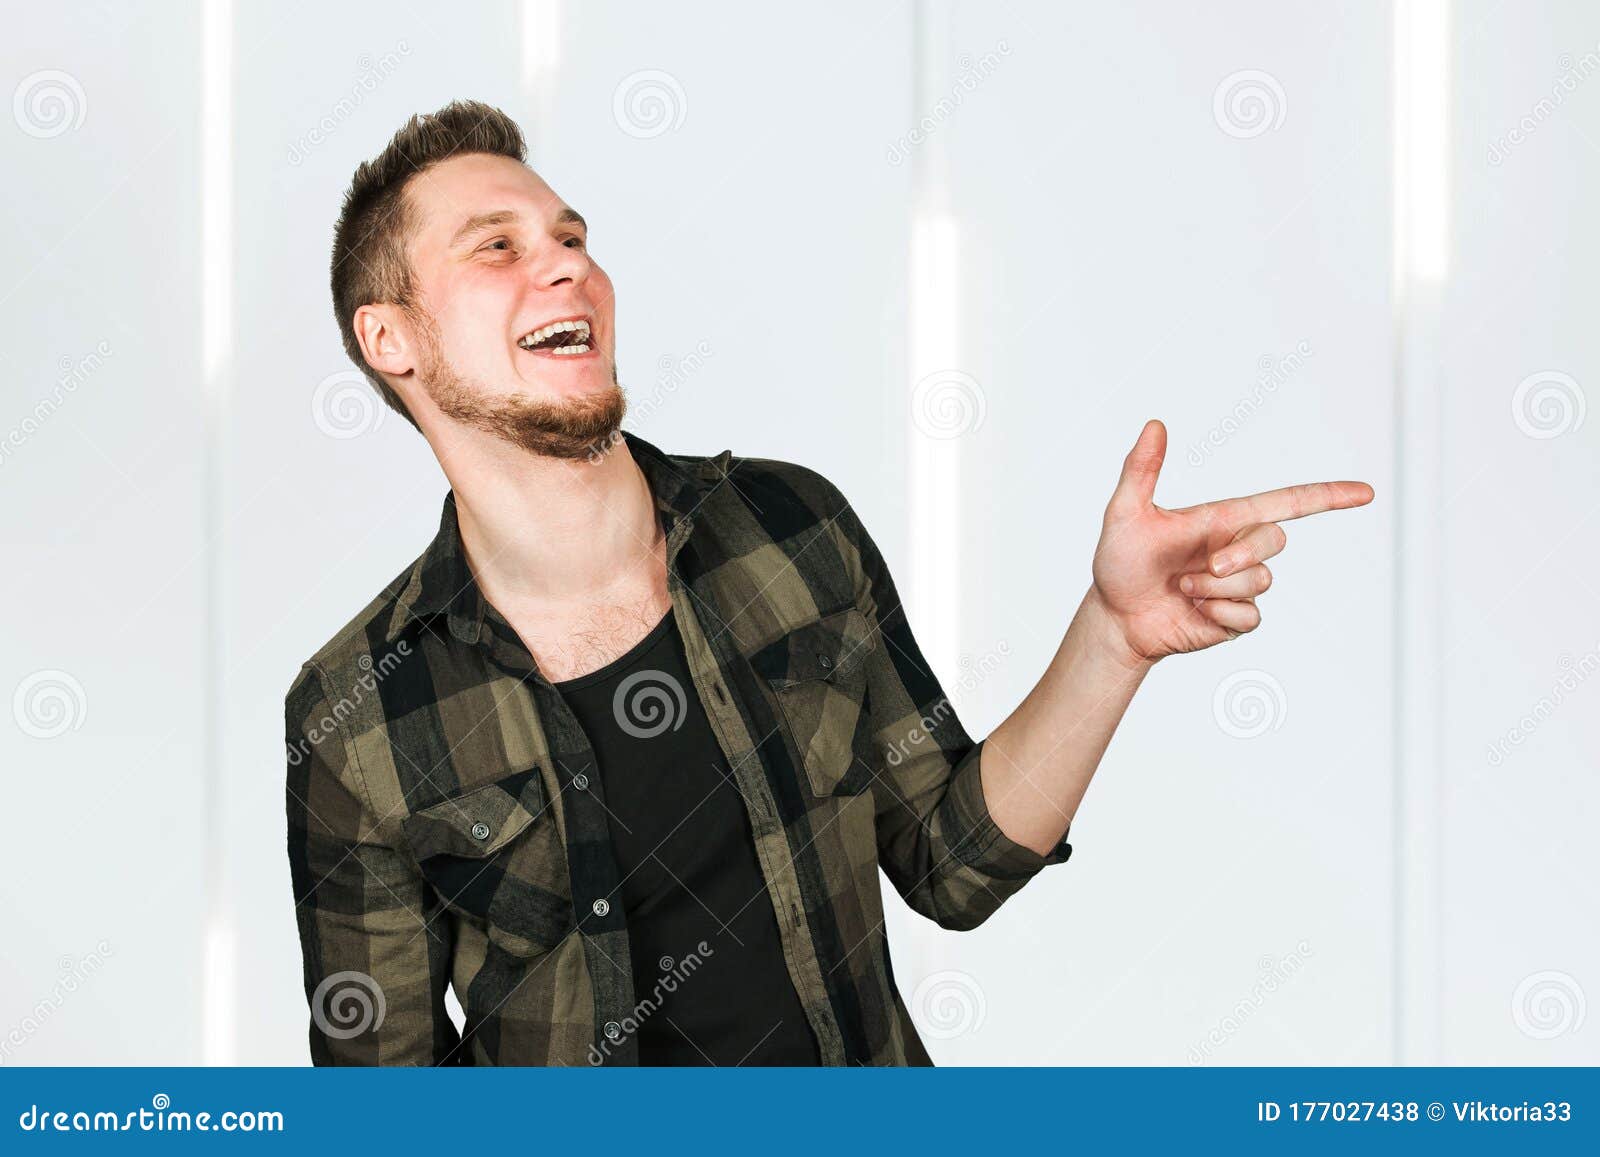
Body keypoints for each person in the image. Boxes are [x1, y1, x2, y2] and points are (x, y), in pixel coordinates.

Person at [285, 99, 1374, 1066]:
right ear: (390, 338)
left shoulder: (790, 528)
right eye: (498, 247)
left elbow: (953, 864)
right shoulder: (357, 713)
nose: (566, 264)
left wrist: (1114, 635)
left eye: (571, 237)